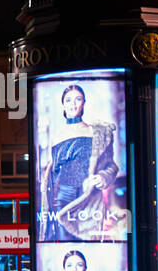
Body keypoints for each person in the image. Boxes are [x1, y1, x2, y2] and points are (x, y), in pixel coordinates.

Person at [39, 85, 121, 242]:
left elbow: (111, 166)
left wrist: (103, 177)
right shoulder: (56, 136)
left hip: (87, 199)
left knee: (88, 241)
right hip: (61, 199)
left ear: (84, 102)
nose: (73, 104)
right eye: (68, 100)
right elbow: (54, 171)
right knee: (62, 241)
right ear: (63, 104)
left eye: (78, 99)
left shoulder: (97, 133)